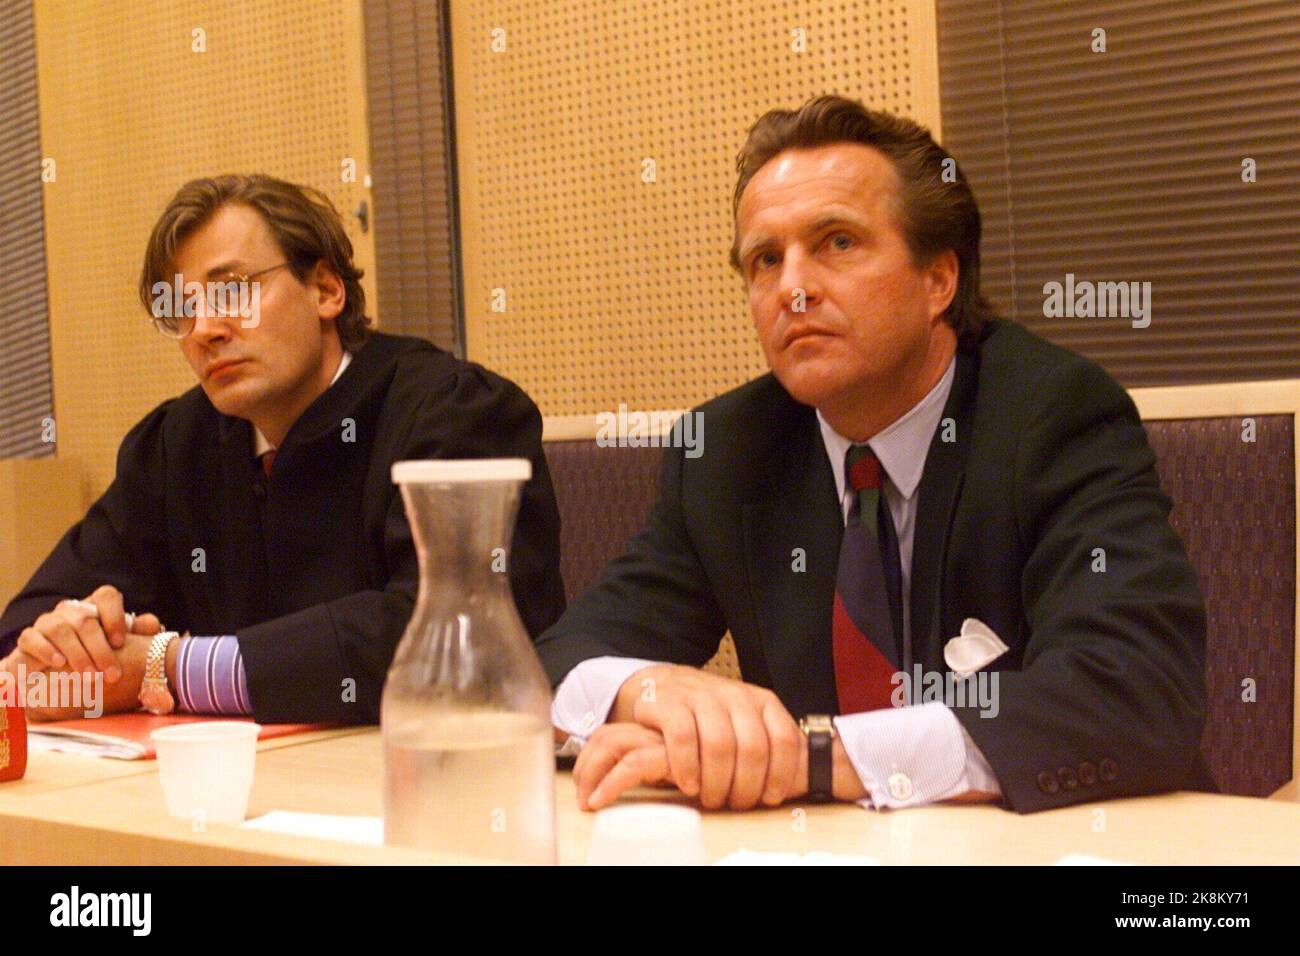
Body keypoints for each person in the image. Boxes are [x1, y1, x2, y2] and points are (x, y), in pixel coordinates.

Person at [540, 95, 1214, 814]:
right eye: (765, 260)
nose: (792, 289)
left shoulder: (1053, 415)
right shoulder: (725, 452)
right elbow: (554, 662)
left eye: (837, 242)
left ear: (938, 280)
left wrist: (819, 757)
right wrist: (646, 690)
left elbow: (1138, 688)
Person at [0, 174, 566, 724]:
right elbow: (23, 625)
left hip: (423, 779)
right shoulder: (176, 446)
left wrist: (166, 667)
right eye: (182, 309)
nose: (205, 329)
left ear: (325, 289)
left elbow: (453, 631)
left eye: (232, 291)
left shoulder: (455, 412)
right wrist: (69, 645)